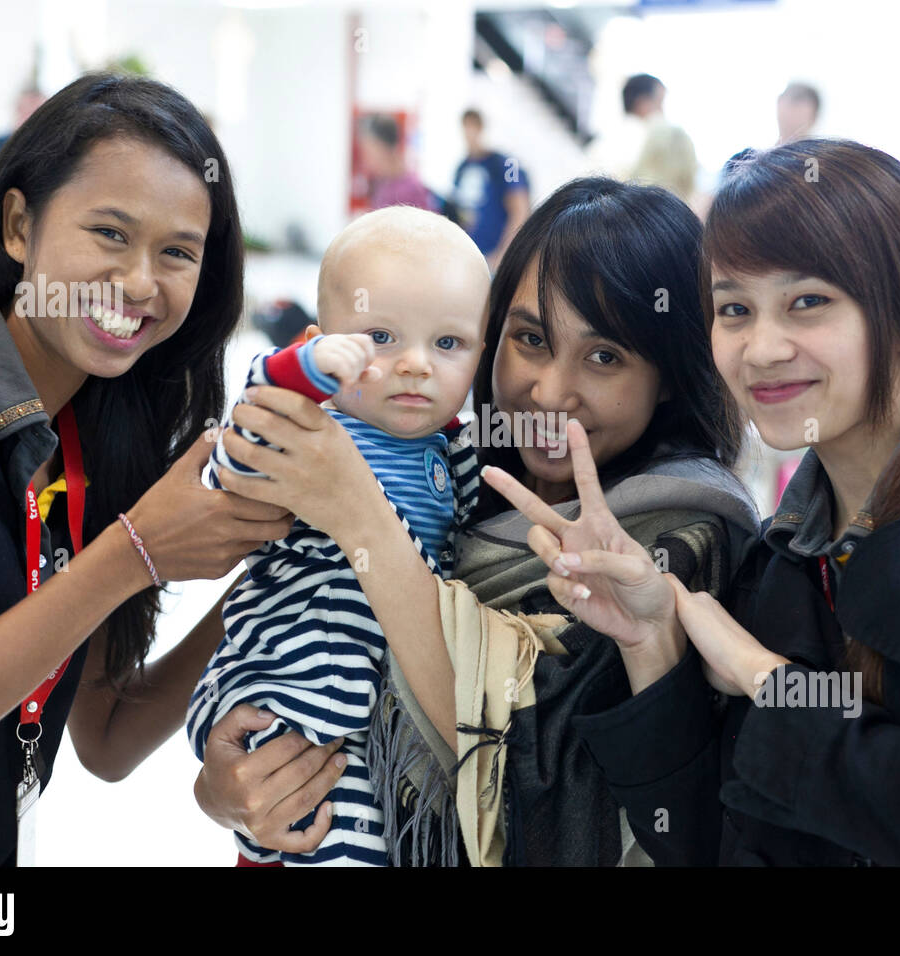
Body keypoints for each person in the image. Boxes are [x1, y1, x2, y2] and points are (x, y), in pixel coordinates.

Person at [491, 139, 900, 865]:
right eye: (735, 308)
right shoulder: (781, 556)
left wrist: (761, 674)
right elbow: (703, 844)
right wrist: (649, 641)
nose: (763, 347)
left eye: (808, 302)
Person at [194, 177, 761, 865]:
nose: (550, 392)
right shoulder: (449, 462)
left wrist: (361, 517)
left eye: (605, 356)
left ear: (669, 373)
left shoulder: (680, 533)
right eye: (529, 338)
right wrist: (221, 787)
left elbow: (534, 772)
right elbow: (259, 622)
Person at [0, 72, 326, 866]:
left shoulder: (103, 434)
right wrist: (133, 551)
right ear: (18, 225)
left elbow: (108, 735)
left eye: (177, 251)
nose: (141, 282)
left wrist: (282, 574)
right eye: (110, 233)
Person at [186, 207, 490, 866]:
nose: (414, 365)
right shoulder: (317, 427)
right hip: (292, 685)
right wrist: (299, 374)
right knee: (309, 821)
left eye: (448, 344)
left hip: (390, 702)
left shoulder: (459, 455)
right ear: (322, 343)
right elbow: (234, 462)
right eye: (379, 336)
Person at [590, 75, 698, 205]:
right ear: (642, 103)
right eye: (660, 102)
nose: (662, 111)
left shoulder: (605, 140)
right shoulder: (645, 136)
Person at [452, 109, 531, 271]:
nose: (468, 133)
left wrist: (503, 255)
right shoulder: (462, 168)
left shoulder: (508, 163)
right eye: (465, 127)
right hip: (471, 260)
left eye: (472, 126)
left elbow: (521, 211)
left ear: (480, 128)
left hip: (497, 261)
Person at [360, 114, 438, 213]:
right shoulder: (382, 184)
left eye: (368, 151)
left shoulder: (411, 189)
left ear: (383, 147)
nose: (366, 160)